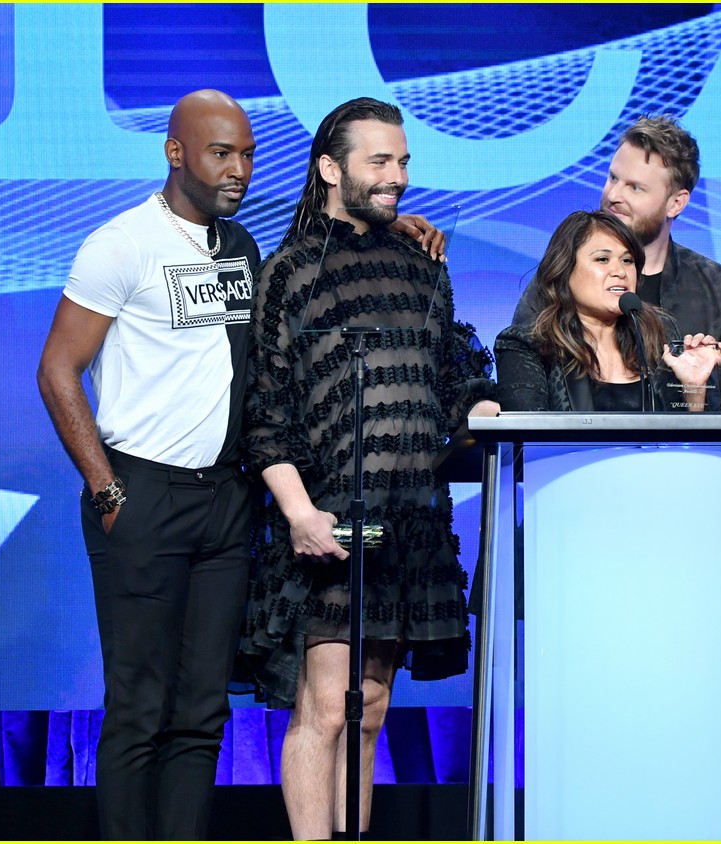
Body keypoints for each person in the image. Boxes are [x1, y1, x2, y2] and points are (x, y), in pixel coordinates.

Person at [238, 97, 498, 840]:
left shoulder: (423, 266)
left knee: (371, 708)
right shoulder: (289, 271)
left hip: (409, 520)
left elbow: (454, 384)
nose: (397, 177)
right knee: (323, 705)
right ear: (331, 167)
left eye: (404, 161)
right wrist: (298, 513)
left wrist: (489, 414)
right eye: (379, 161)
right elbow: (267, 411)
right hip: (327, 517)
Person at [36, 89, 258, 840]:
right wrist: (105, 488)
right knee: (139, 706)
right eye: (221, 152)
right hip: (142, 493)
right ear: (176, 153)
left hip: (225, 502)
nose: (238, 169)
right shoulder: (121, 243)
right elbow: (58, 370)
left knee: (202, 712)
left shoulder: (242, 248)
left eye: (248, 154)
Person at [513, 116, 721, 338]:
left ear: (676, 203)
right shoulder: (562, 274)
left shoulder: (719, 290)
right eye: (613, 178)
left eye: (635, 188)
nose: (613, 195)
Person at [496, 210, 721, 412]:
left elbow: (696, 447)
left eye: (627, 260)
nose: (620, 271)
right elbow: (525, 444)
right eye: (603, 259)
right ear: (564, 269)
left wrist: (693, 390)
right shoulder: (528, 345)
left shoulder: (661, 336)